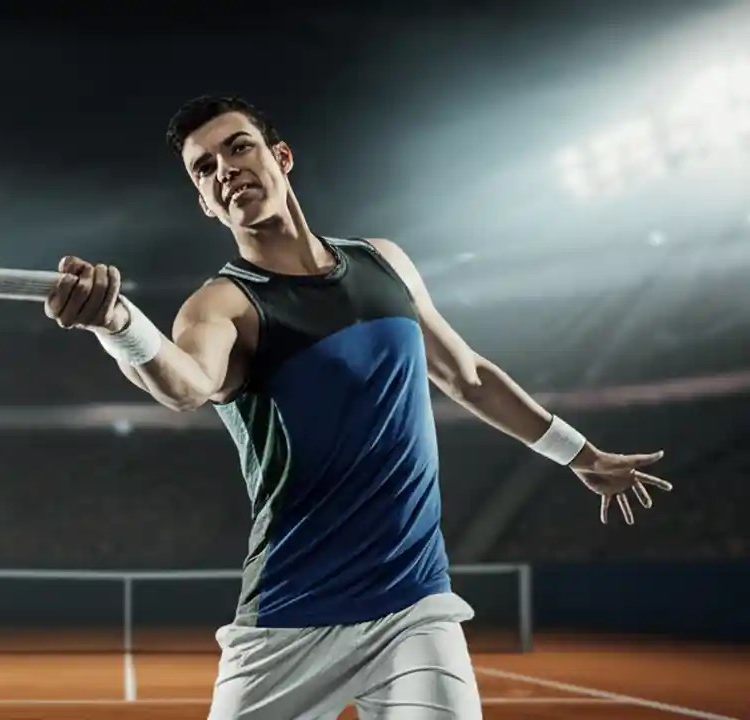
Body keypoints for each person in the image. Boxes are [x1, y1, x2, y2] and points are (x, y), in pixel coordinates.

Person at [42, 94, 673, 719]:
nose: (224, 170)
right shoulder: (223, 306)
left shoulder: (383, 262)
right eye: (204, 169)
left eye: (239, 148)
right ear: (206, 203)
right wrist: (119, 323)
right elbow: (184, 385)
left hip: (414, 608)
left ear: (281, 157)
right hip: (290, 619)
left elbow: (468, 375)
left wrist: (578, 454)